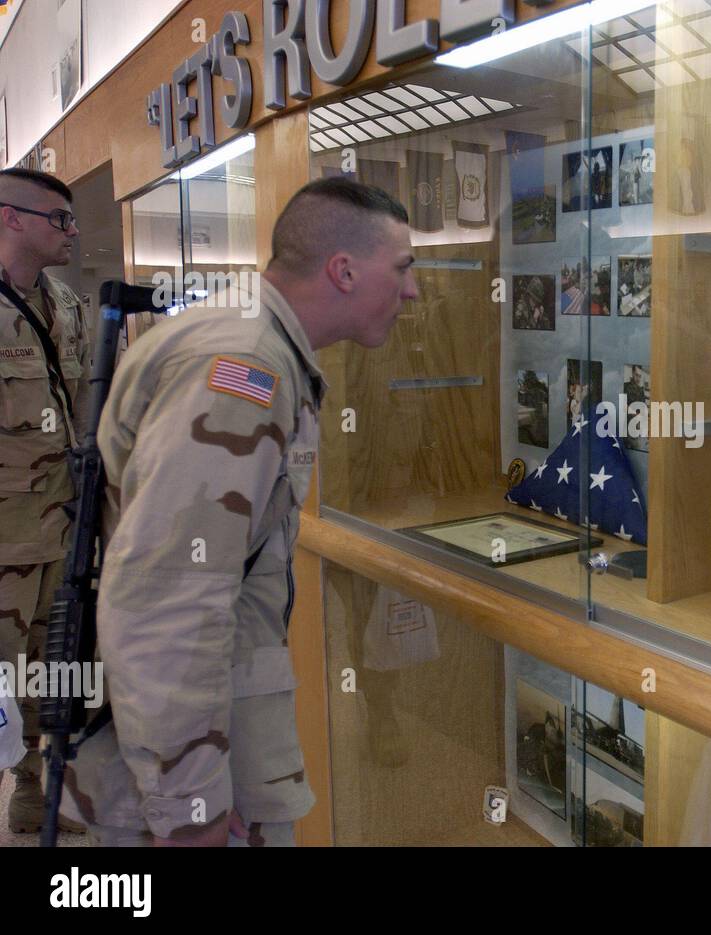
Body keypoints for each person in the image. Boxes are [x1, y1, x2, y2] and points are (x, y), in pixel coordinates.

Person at [66, 178, 419, 846]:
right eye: (401, 268)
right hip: (168, 769)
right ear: (343, 270)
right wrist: (191, 805)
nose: (412, 291)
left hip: (201, 734)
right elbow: (167, 599)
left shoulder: (246, 336)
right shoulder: (244, 367)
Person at [0, 167, 90, 834]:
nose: (73, 230)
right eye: (59, 218)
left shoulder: (68, 304)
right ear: (10, 217)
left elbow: (81, 408)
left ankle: (39, 782)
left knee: (55, 668)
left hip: (60, 526)